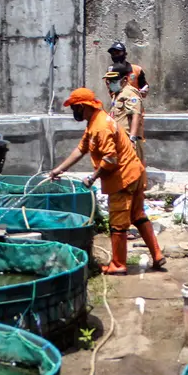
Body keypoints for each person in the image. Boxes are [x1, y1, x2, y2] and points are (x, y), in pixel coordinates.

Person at [48, 87, 164, 275]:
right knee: (138, 215)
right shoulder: (95, 122)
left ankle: (118, 265)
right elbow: (81, 149)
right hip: (134, 172)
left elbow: (110, 159)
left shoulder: (101, 126)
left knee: (117, 224)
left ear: (83, 106)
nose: (73, 112)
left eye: (74, 108)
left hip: (123, 178)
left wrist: (92, 178)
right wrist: (59, 170)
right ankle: (157, 255)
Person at [105, 62, 145, 163]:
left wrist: (132, 139)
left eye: (114, 80)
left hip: (128, 141)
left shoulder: (129, 93)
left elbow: (135, 115)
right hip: (119, 141)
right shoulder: (117, 94)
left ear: (125, 79)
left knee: (131, 174)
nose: (110, 83)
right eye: (108, 80)